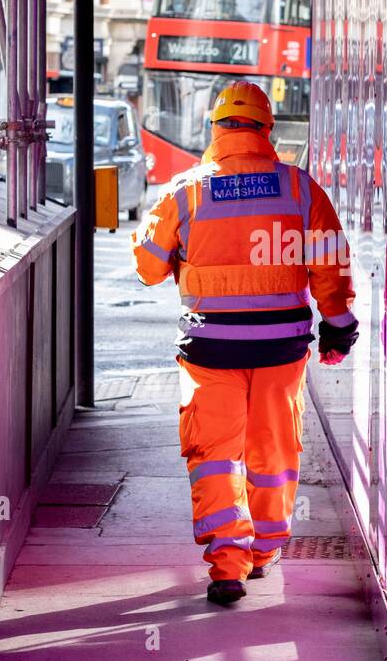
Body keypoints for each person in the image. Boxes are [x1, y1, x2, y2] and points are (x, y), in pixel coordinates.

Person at [132, 81, 358, 606]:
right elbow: (331, 262)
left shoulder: (187, 190)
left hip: (210, 350)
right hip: (281, 350)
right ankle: (264, 550)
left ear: (215, 129)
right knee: (273, 450)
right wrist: (338, 324)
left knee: (214, 454)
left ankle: (227, 566)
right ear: (266, 129)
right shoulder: (300, 189)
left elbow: (147, 267)